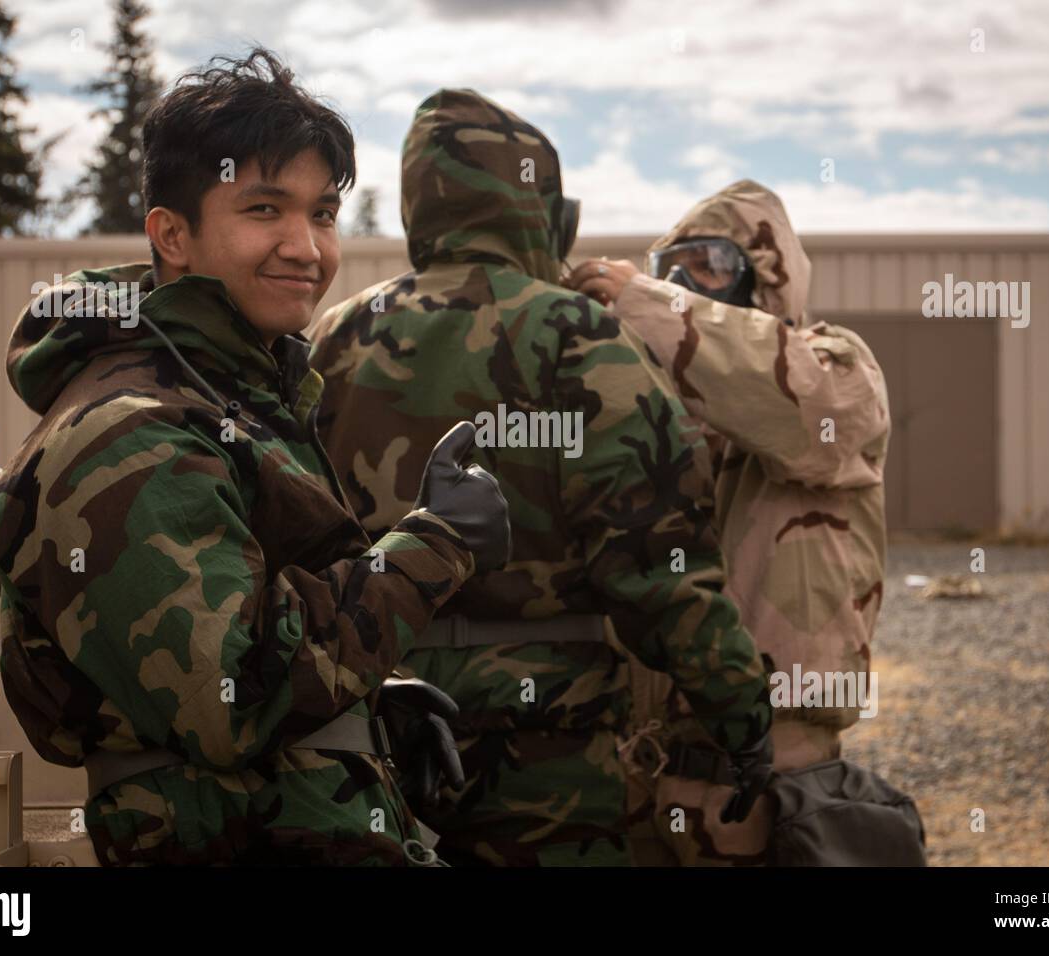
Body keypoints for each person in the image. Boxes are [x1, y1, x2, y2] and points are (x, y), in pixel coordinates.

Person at [0, 49, 509, 867]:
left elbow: (244, 629)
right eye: (264, 208)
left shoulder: (228, 396)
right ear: (173, 234)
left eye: (325, 212)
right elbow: (228, 699)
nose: (305, 246)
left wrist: (363, 709)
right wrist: (433, 545)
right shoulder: (128, 432)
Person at [307, 90, 773, 866]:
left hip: (375, 736)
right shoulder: (582, 337)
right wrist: (743, 715)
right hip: (549, 758)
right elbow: (659, 572)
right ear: (536, 203)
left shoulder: (335, 337)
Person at [566, 179, 890, 865]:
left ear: (769, 280)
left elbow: (783, 394)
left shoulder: (838, 368)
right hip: (638, 782)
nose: (685, 281)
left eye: (710, 263)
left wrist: (640, 298)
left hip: (772, 789)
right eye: (670, 267)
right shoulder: (658, 410)